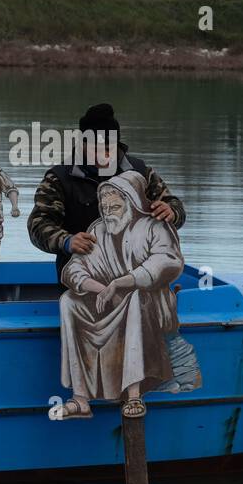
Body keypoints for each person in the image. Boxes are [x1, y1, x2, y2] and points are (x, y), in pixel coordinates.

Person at [57, 171, 198, 420]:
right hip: (107, 302)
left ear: (131, 201)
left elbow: (168, 262)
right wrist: (101, 288)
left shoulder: (154, 227)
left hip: (148, 301)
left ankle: (133, 395)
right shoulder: (98, 231)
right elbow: (74, 268)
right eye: (105, 205)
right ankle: (80, 398)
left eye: (115, 205)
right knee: (69, 301)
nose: (108, 210)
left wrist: (121, 283)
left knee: (134, 298)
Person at [28, 102, 185, 284]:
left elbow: (175, 207)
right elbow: (37, 225)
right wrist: (66, 241)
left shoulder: (141, 172)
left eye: (108, 148)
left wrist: (172, 212)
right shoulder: (59, 179)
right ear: (82, 144)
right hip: (82, 284)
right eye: (95, 149)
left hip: (139, 282)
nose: (103, 156)